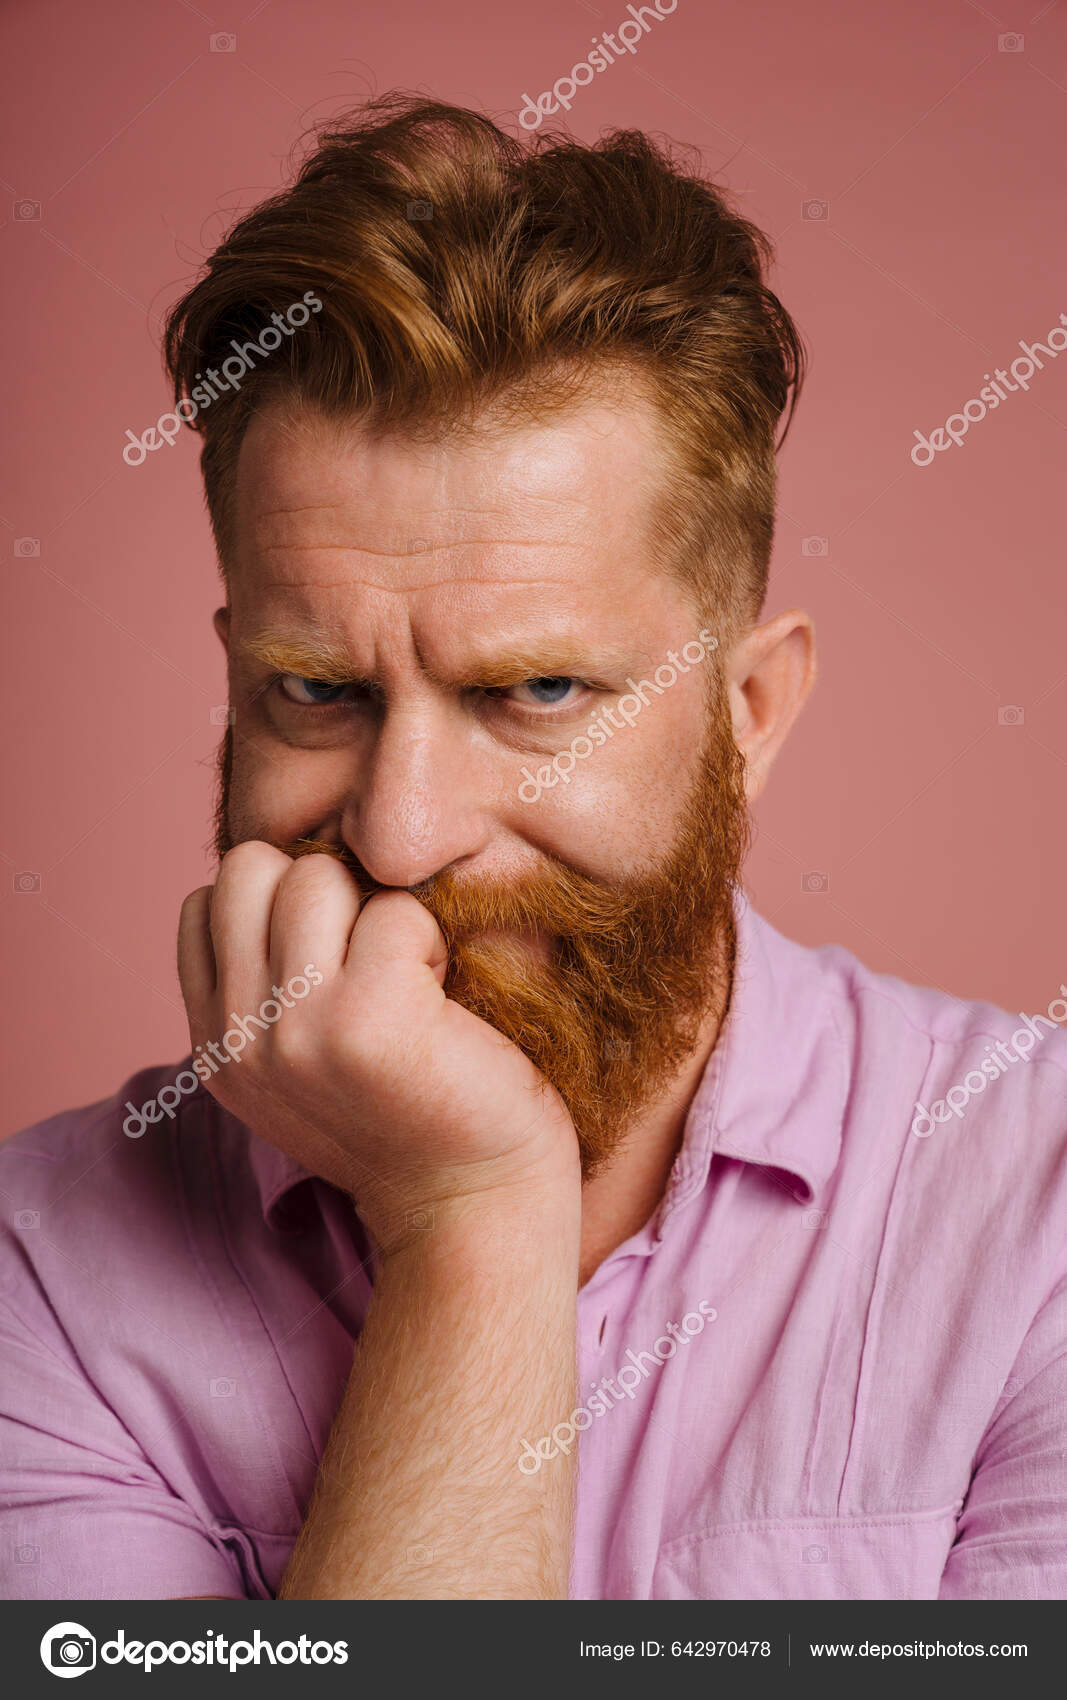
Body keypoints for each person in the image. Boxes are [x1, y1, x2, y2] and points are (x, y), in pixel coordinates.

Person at [2, 97, 1065, 1603]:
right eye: (318, 690)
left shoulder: (1041, 1208)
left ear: (748, 710)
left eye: (536, 692)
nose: (405, 827)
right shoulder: (36, 1280)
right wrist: (475, 1222)